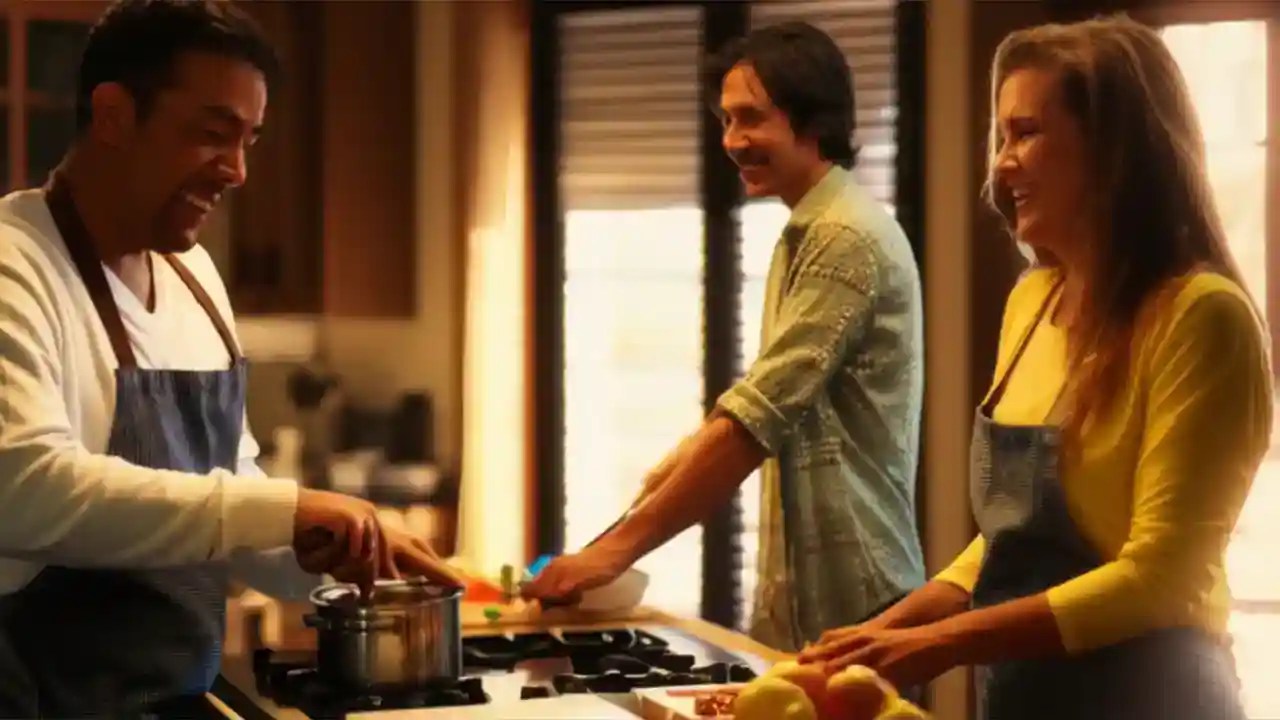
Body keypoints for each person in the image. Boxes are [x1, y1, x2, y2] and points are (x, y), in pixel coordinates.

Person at [798, 15, 1270, 720]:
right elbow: (1006, 545)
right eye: (1002, 137)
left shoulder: (1202, 317)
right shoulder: (1031, 302)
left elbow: (1160, 579)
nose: (1000, 165)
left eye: (1026, 134)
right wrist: (891, 627)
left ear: (1112, 151)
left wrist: (943, 644)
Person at [0, 1, 461, 717]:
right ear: (115, 114)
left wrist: (310, 550)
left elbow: (225, 489)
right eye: (213, 134)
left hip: (174, 696)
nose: (239, 171)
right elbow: (25, 491)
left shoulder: (196, 279)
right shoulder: (14, 264)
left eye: (249, 140)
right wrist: (285, 507)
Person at [523, 21, 926, 653]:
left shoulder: (843, 237)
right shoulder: (812, 230)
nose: (732, 141)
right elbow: (766, 402)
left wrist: (610, 554)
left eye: (751, 119)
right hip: (818, 595)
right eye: (725, 122)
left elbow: (754, 420)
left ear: (812, 120)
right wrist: (683, 459)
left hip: (859, 599)